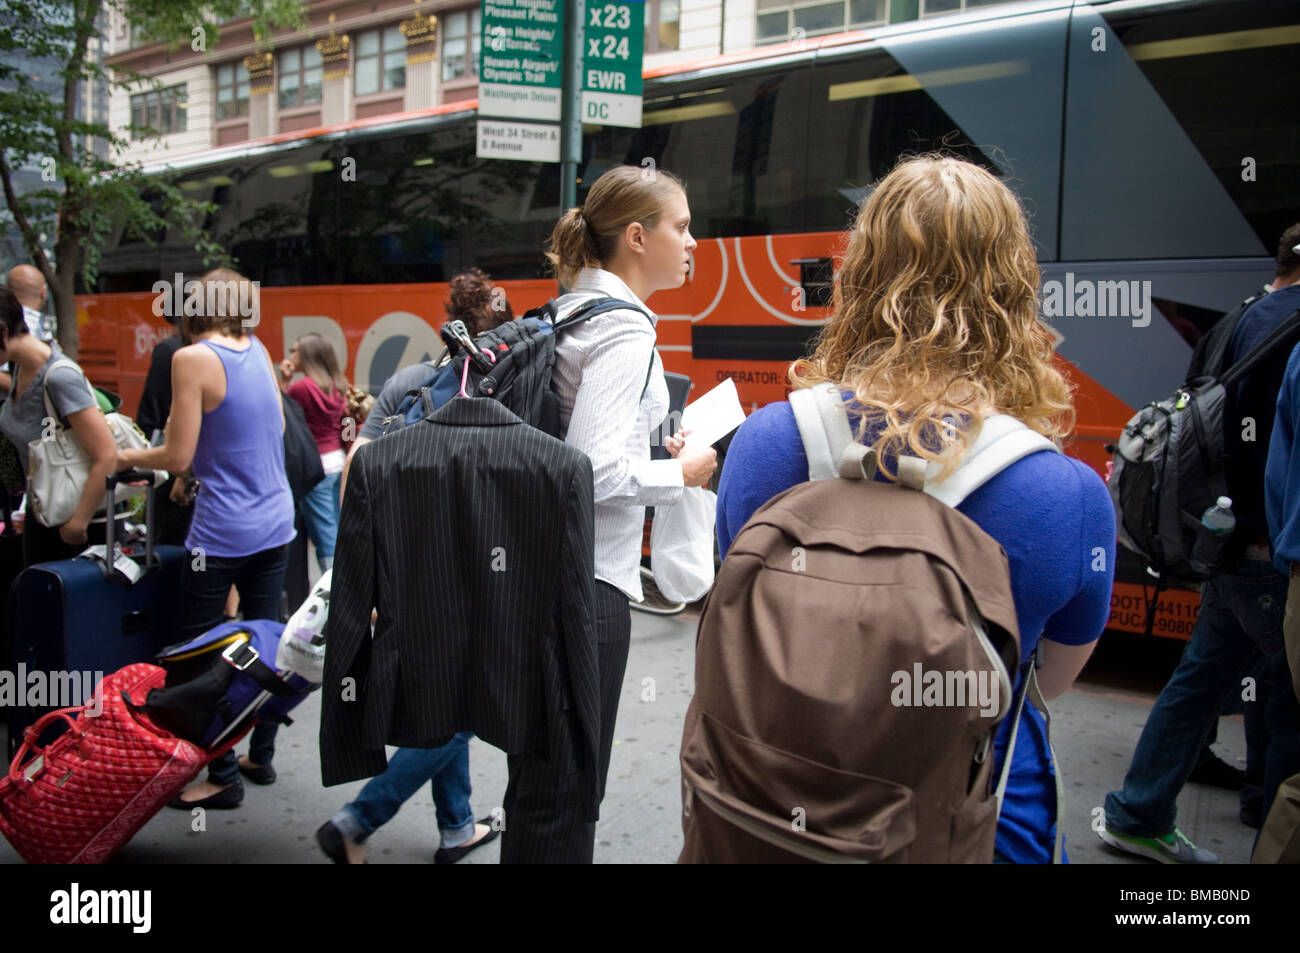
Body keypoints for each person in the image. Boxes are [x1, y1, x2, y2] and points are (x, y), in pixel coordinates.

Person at [715, 155, 1114, 864]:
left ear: (860, 276)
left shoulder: (765, 443)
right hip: (974, 828)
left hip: (772, 819)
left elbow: (739, 615)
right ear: (1016, 291)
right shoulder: (1068, 493)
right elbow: (1043, 677)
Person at [524, 164, 716, 860]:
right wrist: (683, 471)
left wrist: (654, 444)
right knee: (568, 803)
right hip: (588, 591)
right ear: (637, 236)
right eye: (682, 226)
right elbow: (595, 468)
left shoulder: (569, 307)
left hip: (546, 579)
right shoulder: (627, 329)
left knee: (541, 791)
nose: (693, 241)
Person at [1102, 223, 1300, 863]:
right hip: (1271, 551)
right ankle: (1269, 827)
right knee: (1288, 697)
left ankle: (1139, 810)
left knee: (1202, 679)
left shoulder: (1240, 317)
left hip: (1226, 539)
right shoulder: (1289, 325)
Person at [318, 269, 514, 865]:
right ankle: (357, 819)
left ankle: (456, 827)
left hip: (406, 567)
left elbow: (360, 467)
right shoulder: (502, 391)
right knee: (462, 711)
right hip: (474, 577)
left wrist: (362, 565)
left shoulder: (409, 381)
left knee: (448, 699)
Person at [116, 268, 296, 810]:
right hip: (276, 521)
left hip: (223, 531)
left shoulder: (191, 359)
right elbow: (276, 432)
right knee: (264, 644)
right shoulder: (258, 349)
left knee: (199, 652)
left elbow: (175, 456)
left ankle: (220, 775)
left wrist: (119, 454)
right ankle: (259, 754)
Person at [0, 286, 120, 566]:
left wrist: (78, 523)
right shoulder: (19, 368)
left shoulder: (59, 377)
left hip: (75, 521)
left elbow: (107, 455)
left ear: (3, 331)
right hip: (43, 509)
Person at [279, 333, 348, 572]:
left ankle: (334, 585)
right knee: (336, 526)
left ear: (307, 355)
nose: (291, 355)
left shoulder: (301, 388)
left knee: (324, 532)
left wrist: (284, 381)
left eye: (295, 350)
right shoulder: (338, 385)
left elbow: (279, 414)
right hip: (337, 461)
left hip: (314, 466)